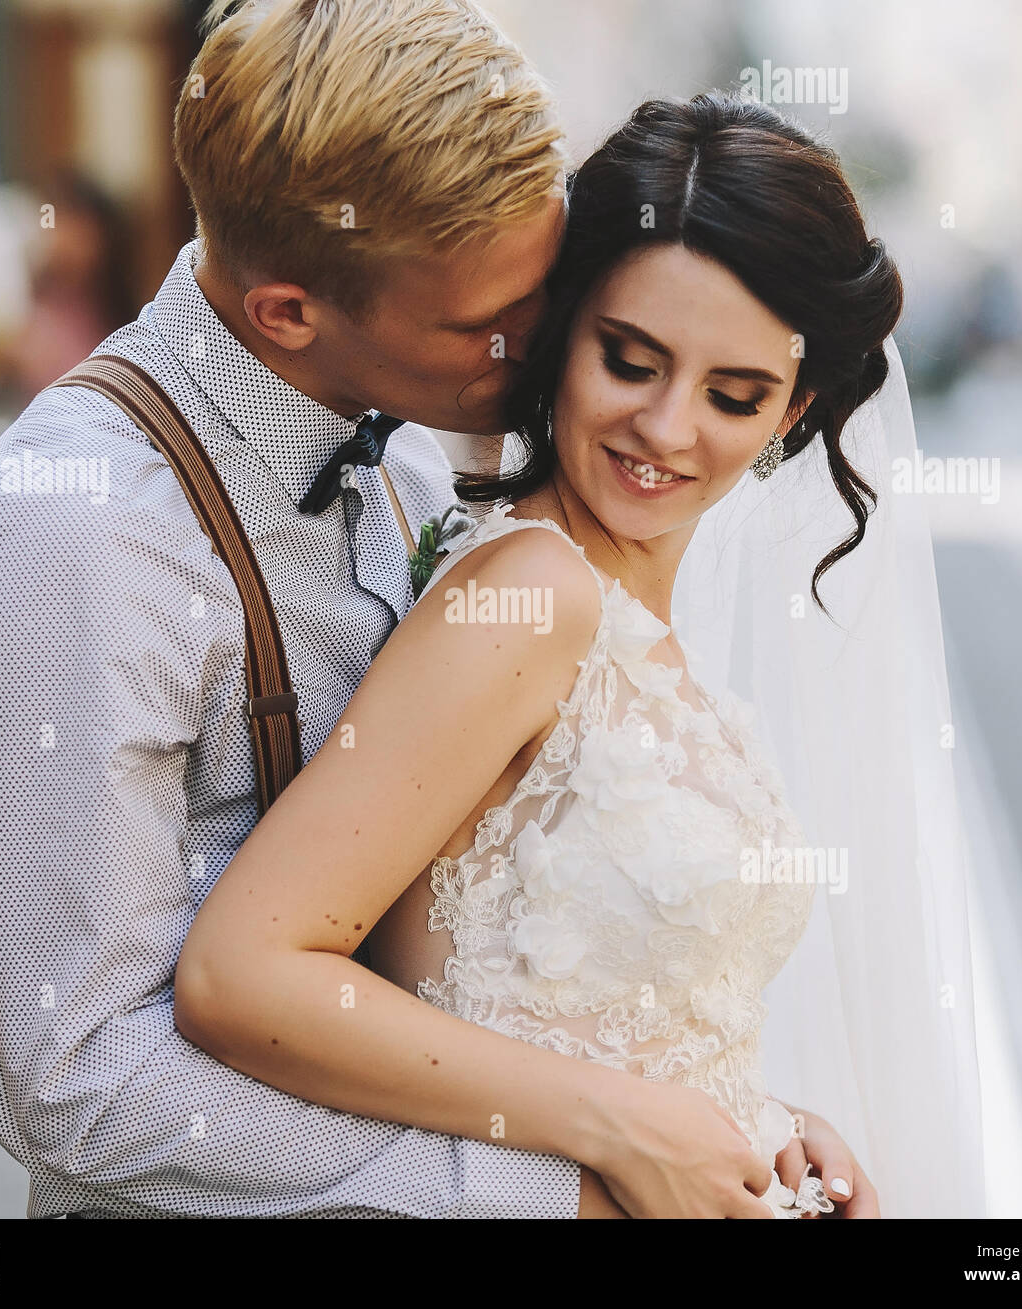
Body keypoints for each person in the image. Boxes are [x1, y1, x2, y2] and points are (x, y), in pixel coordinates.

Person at [0, 0, 875, 1219]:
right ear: (290, 313)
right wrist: (571, 1178)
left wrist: (725, 1127)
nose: (542, 349)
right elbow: (82, 1085)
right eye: (492, 325)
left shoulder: (409, 465)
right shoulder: (71, 541)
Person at [171, 88, 925, 1219]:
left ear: (793, 410)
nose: (667, 431)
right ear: (560, 333)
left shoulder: (629, 609)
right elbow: (244, 978)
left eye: (733, 394)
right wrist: (618, 1129)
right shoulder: (528, 597)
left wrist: (764, 1130)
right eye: (630, 360)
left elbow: (631, 1012)